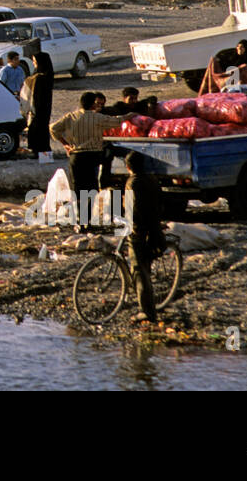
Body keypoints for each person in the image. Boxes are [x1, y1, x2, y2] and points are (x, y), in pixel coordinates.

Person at [51, 91, 122, 232]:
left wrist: (65, 143)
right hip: (93, 157)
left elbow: (53, 128)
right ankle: (87, 221)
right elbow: (117, 122)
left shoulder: (71, 116)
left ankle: (80, 222)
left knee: (77, 191)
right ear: (93, 103)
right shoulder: (97, 118)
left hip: (76, 157)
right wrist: (130, 116)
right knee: (91, 190)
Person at [125, 150, 166, 322]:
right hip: (155, 229)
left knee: (138, 270)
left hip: (140, 232)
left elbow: (133, 211)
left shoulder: (132, 183)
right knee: (144, 267)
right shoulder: (152, 180)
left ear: (128, 167)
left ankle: (147, 312)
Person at [23, 52, 55, 161]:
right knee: (39, 131)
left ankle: (44, 156)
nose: (34, 64)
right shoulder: (46, 75)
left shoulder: (40, 78)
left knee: (39, 131)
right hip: (42, 108)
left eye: (35, 62)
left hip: (39, 108)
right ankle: (41, 156)